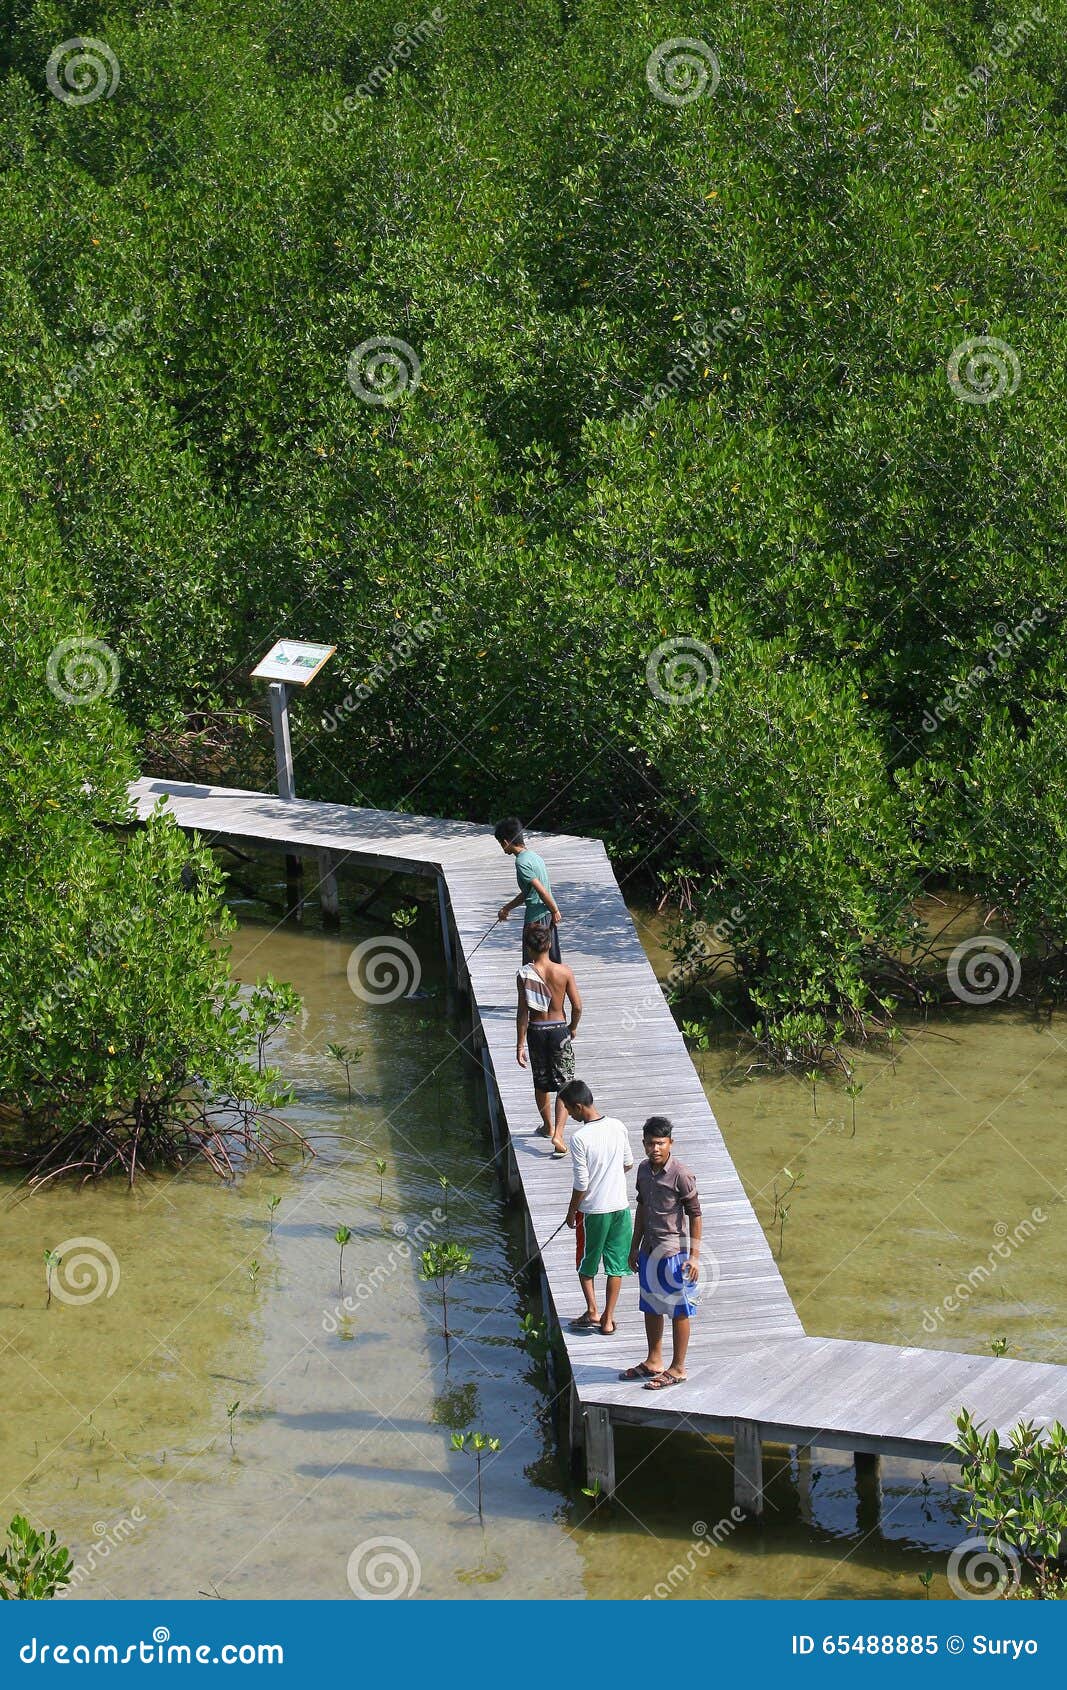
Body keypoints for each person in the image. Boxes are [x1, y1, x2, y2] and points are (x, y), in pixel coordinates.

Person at [620, 1117, 702, 1390]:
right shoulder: (643, 1171)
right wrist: (634, 1246)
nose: (655, 1148)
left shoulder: (681, 1174)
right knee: (651, 1306)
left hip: (674, 1253)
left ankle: (678, 1368)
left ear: (670, 1143)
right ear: (643, 1144)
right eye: (650, 1143)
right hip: (649, 1251)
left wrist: (694, 1256)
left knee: (679, 1310)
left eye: (660, 1143)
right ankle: (654, 1361)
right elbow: (642, 1209)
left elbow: (695, 1214)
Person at [559, 1079, 633, 1336]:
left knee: (586, 1264)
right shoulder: (618, 1126)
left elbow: (582, 1182)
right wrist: (610, 1175)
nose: (568, 1114)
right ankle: (608, 1320)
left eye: (569, 1110)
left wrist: (571, 1212)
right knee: (616, 1265)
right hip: (621, 1209)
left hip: (594, 1212)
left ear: (579, 1107)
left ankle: (592, 1310)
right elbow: (627, 1163)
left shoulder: (579, 1138)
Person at [516, 925, 582, 1156]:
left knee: (541, 1082)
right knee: (565, 1083)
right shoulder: (564, 972)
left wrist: (520, 1044)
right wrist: (572, 1028)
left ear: (528, 948)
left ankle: (547, 1126)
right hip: (558, 1029)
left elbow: (523, 1012)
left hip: (536, 1030)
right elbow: (577, 1006)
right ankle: (559, 1134)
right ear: (550, 945)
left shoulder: (524, 974)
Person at [493, 817, 562, 962]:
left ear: (505, 842)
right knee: (551, 960)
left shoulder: (521, 862)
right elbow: (527, 892)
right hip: (547, 914)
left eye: (500, 844)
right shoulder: (534, 857)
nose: (502, 847)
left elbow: (541, 890)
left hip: (536, 919)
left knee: (532, 964)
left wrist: (555, 910)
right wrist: (506, 908)